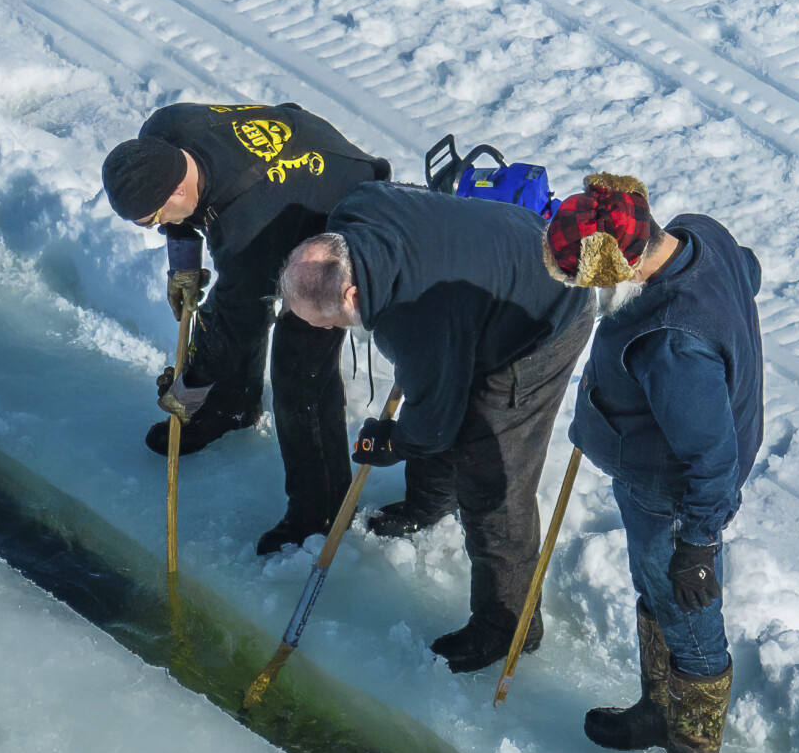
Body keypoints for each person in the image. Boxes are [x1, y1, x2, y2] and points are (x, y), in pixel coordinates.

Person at [278, 180, 594, 672]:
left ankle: (507, 625)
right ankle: (429, 504)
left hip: (543, 313)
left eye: (331, 322)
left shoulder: (413, 319)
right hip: (494, 272)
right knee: (442, 390)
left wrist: (392, 443)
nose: (327, 332)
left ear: (353, 292)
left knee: (492, 469)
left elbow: (435, 426)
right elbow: (435, 387)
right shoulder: (355, 209)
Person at [543, 175, 763, 753]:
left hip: (676, 496)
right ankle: (658, 711)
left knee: (688, 617)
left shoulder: (673, 344)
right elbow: (747, 272)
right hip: (651, 473)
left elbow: (711, 457)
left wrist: (699, 543)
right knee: (652, 591)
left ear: (623, 264)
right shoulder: (701, 234)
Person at [101, 102, 390, 555]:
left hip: (340, 206)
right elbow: (222, 280)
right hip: (285, 182)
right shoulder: (165, 134)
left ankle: (323, 509)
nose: (159, 227)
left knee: (298, 367)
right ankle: (231, 408)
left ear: (177, 188)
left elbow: (242, 321)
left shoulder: (249, 229)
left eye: (157, 219)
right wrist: (182, 261)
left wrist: (190, 387)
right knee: (232, 302)